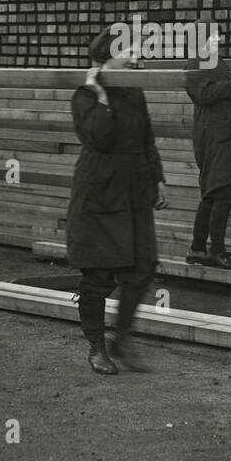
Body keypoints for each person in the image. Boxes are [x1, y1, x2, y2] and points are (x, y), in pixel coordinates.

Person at [67, 27, 168, 375]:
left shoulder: (134, 91)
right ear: (107, 57)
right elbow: (100, 137)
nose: (136, 58)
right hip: (100, 192)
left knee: (142, 269)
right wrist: (102, 99)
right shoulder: (85, 95)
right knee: (97, 275)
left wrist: (158, 178)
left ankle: (120, 339)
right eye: (129, 52)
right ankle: (96, 347)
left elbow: (147, 138)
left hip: (134, 191)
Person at [184, 25, 231, 270]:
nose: (220, 39)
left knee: (215, 192)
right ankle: (215, 251)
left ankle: (198, 248)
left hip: (225, 135)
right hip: (216, 137)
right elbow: (204, 94)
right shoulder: (194, 65)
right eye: (214, 36)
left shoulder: (215, 62)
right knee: (221, 192)